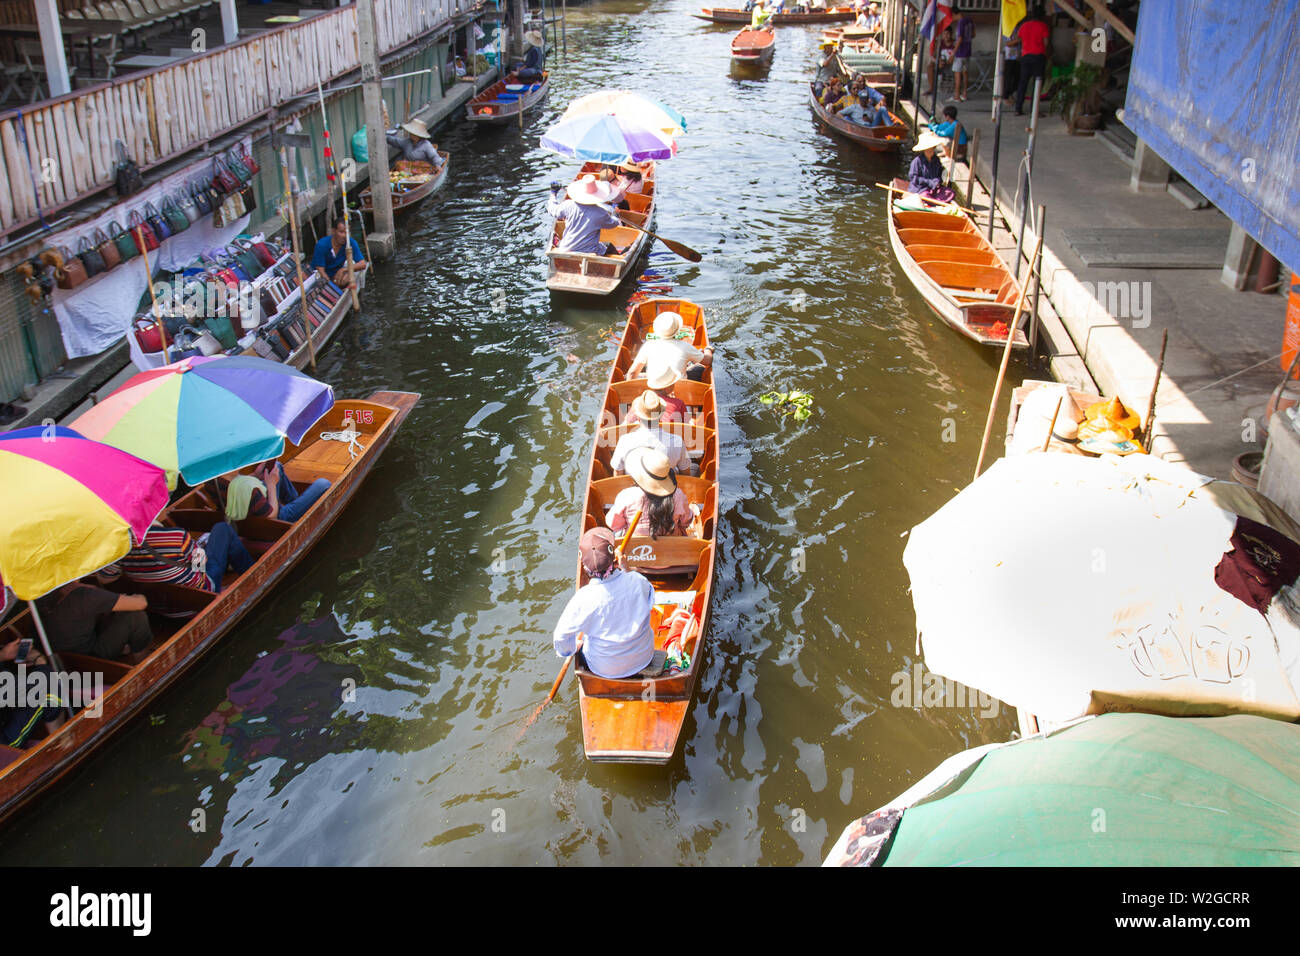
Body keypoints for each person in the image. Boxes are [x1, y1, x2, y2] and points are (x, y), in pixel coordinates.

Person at [552, 527, 656, 680]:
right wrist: (626, 568)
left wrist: (572, 648)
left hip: (603, 668)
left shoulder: (582, 599)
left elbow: (560, 638)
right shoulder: (637, 580)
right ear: (613, 559)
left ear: (585, 568)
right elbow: (649, 602)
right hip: (643, 658)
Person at [101, 523, 252, 594]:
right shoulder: (176, 535)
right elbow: (200, 565)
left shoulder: (120, 547)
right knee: (222, 529)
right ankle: (251, 572)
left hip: (162, 605)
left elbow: (105, 579)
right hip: (201, 595)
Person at [33, 580, 151, 660]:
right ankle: (142, 659)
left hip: (55, 654)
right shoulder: (84, 594)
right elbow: (141, 604)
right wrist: (139, 596)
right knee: (135, 616)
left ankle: (124, 649)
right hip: (90, 659)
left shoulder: (38, 593)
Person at [608, 448, 694, 541]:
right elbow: (686, 522)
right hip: (671, 546)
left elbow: (613, 524)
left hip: (636, 549)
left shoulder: (626, 495)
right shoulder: (678, 494)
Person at [610, 390, 693, 477]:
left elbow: (618, 473)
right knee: (695, 468)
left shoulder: (624, 441)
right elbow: (686, 474)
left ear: (638, 417)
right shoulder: (677, 441)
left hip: (634, 486)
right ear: (661, 416)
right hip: (667, 487)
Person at [227, 461, 330, 524]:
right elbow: (272, 517)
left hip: (261, 511)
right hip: (276, 519)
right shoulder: (252, 491)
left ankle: (296, 503)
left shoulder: (227, 484)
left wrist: (256, 474)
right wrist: (271, 484)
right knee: (323, 484)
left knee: (277, 466)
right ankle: (297, 509)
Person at [547, 174, 624, 257]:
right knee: (608, 245)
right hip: (590, 251)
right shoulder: (600, 213)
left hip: (566, 247)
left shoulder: (568, 204)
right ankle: (620, 257)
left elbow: (553, 210)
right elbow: (613, 224)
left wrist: (553, 194)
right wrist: (615, 215)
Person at [626, 311, 713, 383]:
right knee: (699, 368)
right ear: (677, 331)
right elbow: (708, 361)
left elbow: (632, 373)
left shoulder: (648, 345)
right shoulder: (686, 346)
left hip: (654, 388)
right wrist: (708, 349)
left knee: (630, 374)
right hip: (681, 388)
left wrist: (630, 399)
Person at [1012, 4, 1050, 115]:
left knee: (1023, 83)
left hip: (1026, 57)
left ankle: (1018, 108)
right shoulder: (1043, 26)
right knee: (1037, 84)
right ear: (1042, 15)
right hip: (1038, 57)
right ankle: (1034, 110)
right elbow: (1046, 43)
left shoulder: (1024, 26)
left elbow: (1018, 39)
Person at [623, 363, 689, 426]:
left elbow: (626, 424)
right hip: (670, 435)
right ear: (667, 388)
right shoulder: (678, 403)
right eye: (673, 383)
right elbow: (688, 425)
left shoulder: (639, 402)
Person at [311, 217, 368, 290]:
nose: (345, 236)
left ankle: (338, 287)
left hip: (337, 275)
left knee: (349, 276)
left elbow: (363, 264)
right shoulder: (322, 245)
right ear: (334, 231)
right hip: (320, 277)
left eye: (347, 232)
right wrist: (330, 287)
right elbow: (321, 270)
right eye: (341, 232)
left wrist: (343, 270)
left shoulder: (350, 243)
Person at [908, 130, 955, 202]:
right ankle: (934, 201)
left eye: (931, 149)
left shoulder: (936, 160)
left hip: (934, 189)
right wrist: (929, 182)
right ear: (924, 150)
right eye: (927, 150)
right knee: (925, 196)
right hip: (920, 189)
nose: (930, 151)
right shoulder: (917, 161)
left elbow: (939, 174)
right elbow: (914, 178)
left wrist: (937, 181)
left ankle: (935, 201)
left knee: (950, 192)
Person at [951, 8, 974, 101]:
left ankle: (957, 95)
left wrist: (953, 53)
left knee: (957, 73)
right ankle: (964, 93)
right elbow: (974, 34)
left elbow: (960, 38)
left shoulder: (961, 22)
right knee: (965, 73)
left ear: (955, 14)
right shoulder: (969, 21)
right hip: (968, 50)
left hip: (960, 52)